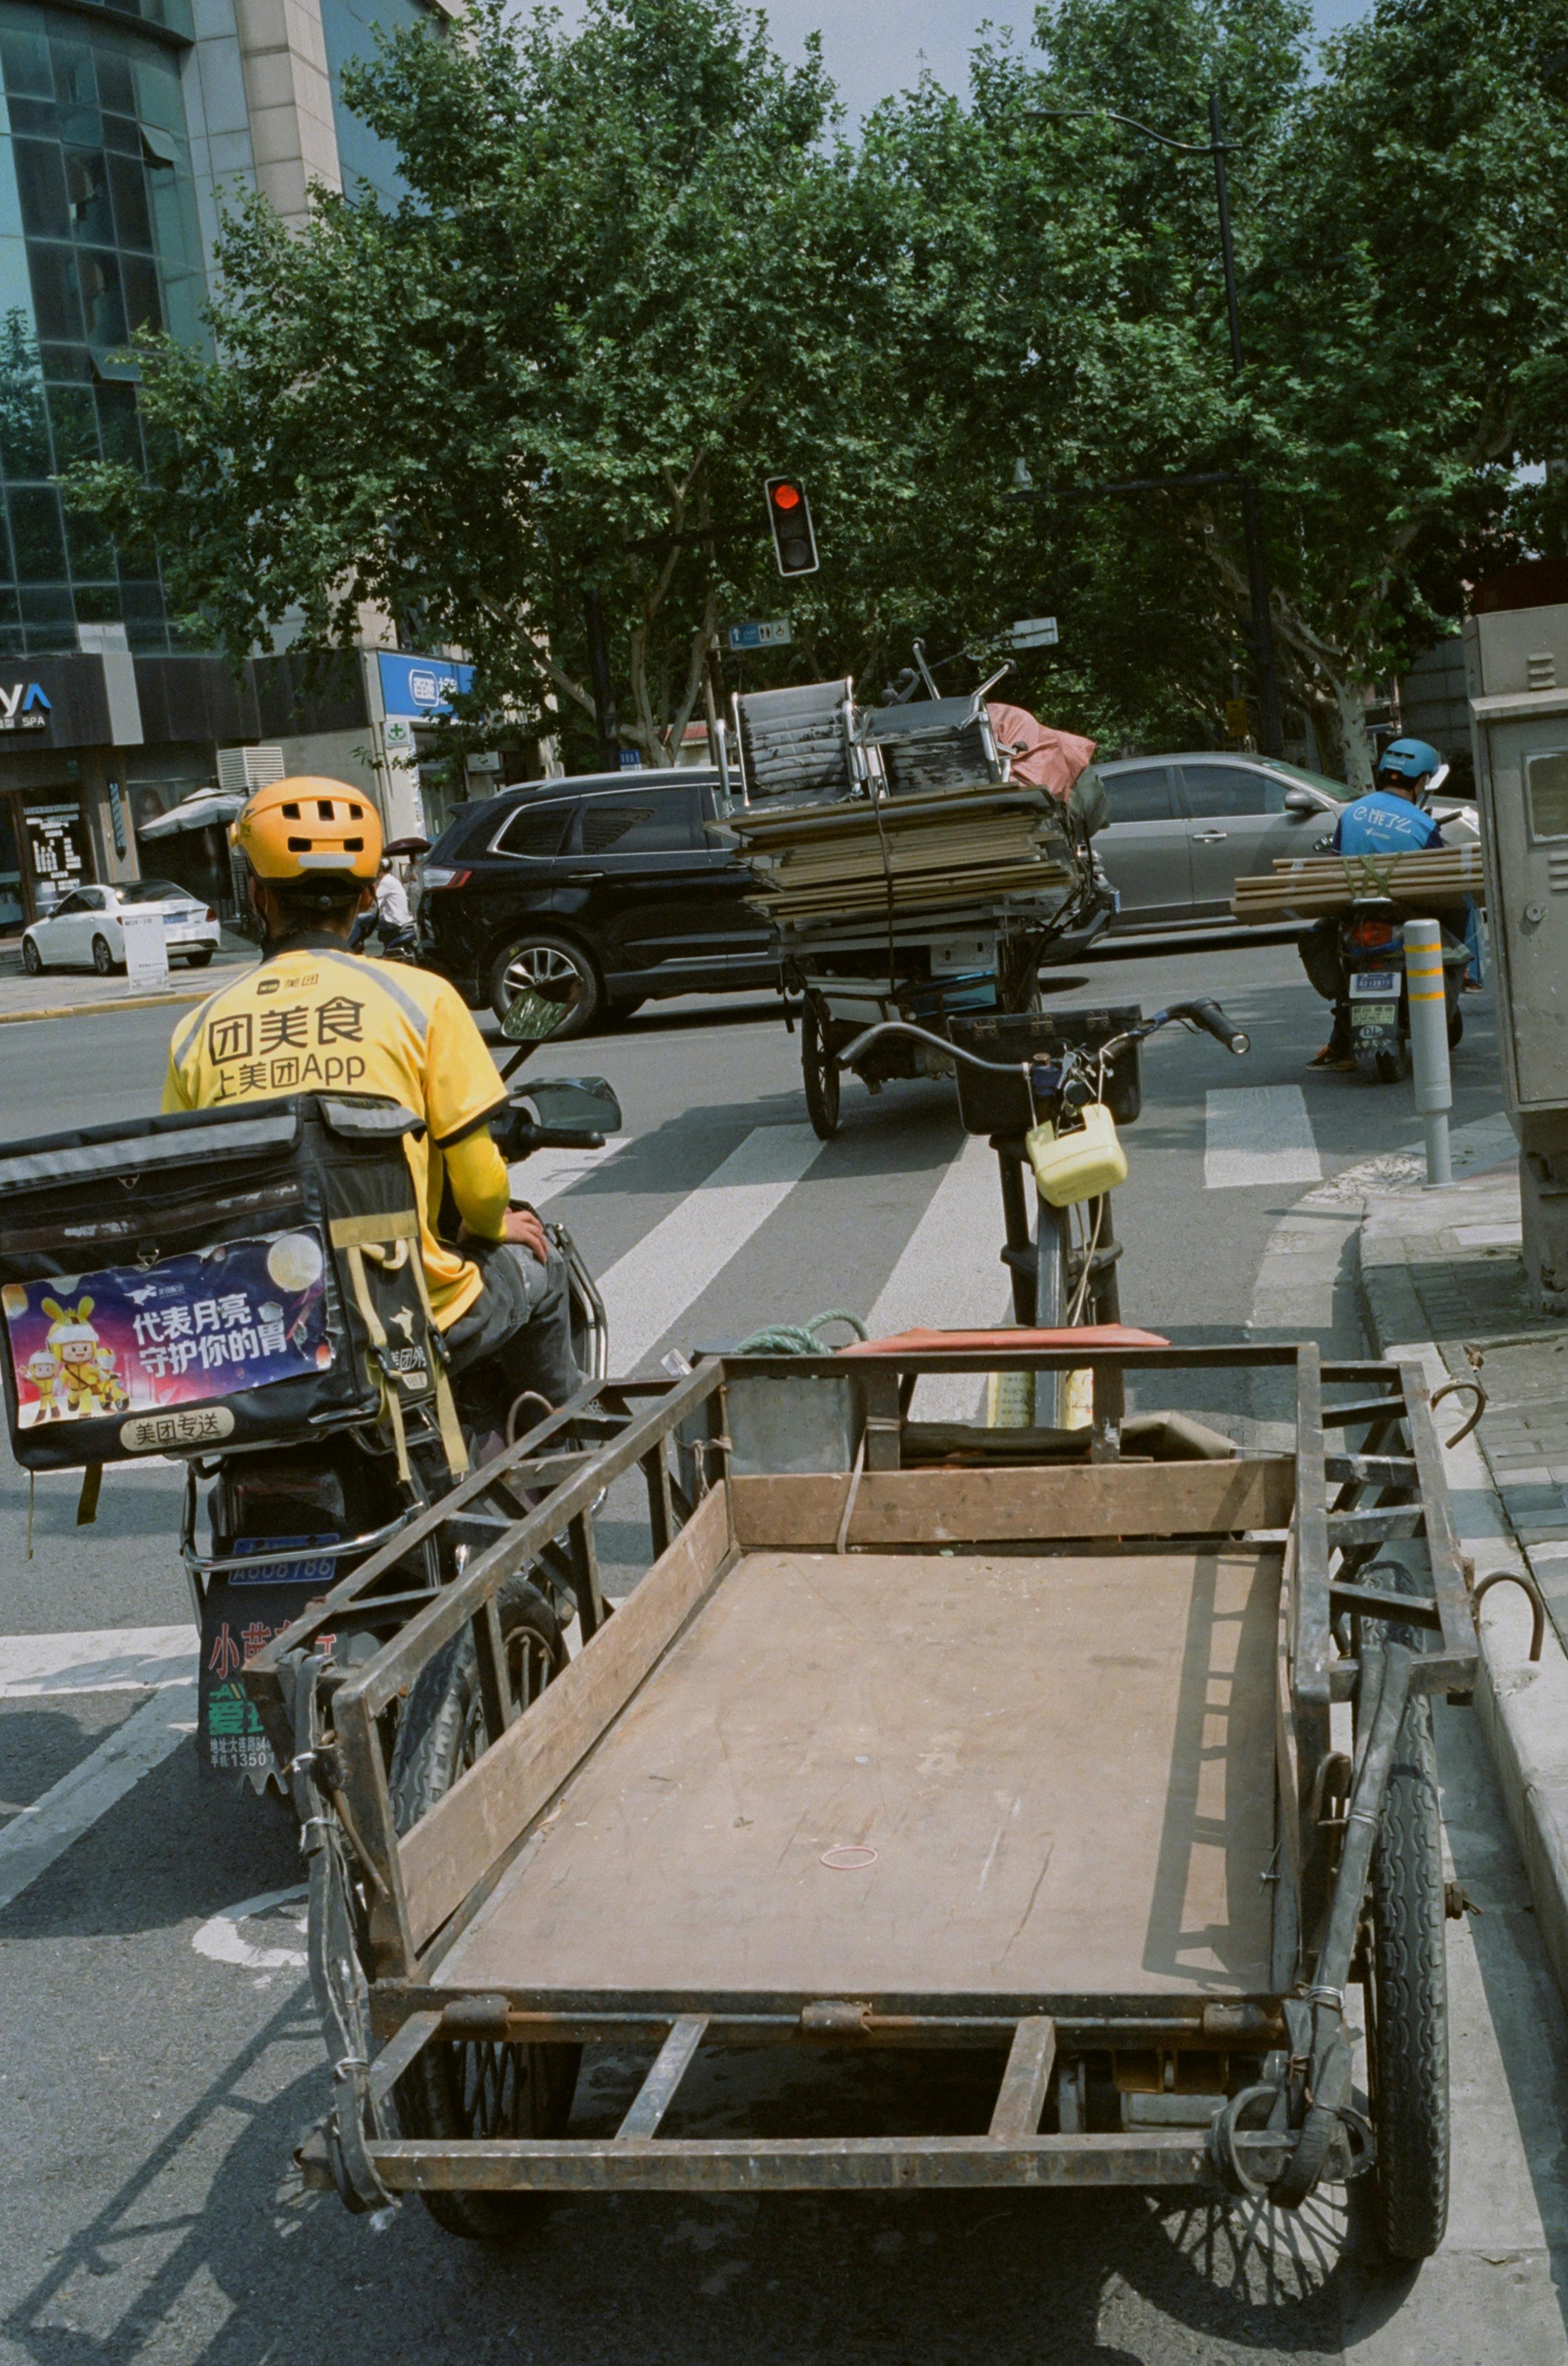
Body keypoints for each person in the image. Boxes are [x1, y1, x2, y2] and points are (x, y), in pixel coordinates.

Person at [162, 776, 579, 1423]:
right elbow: (480, 1189)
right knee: (541, 1266)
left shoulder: (197, 1031)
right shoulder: (422, 998)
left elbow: (185, 1197)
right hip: (410, 1317)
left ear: (258, 895)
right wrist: (494, 1226)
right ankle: (561, 1437)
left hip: (265, 1334)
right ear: (364, 899)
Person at [1303, 737, 1460, 1071]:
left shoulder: (1352, 814)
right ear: (1421, 782)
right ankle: (1464, 975)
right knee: (1461, 907)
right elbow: (1440, 879)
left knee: (1333, 943)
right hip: (1404, 912)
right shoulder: (1424, 825)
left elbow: (1335, 864)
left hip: (1356, 911)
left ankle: (1341, 1043)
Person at [351, 854, 418, 958]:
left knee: (359, 919)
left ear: (380, 869)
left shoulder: (386, 883)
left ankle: (350, 948)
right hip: (398, 918)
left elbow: (368, 902)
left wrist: (369, 882)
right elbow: (377, 904)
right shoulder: (391, 880)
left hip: (393, 921)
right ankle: (358, 945)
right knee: (366, 919)